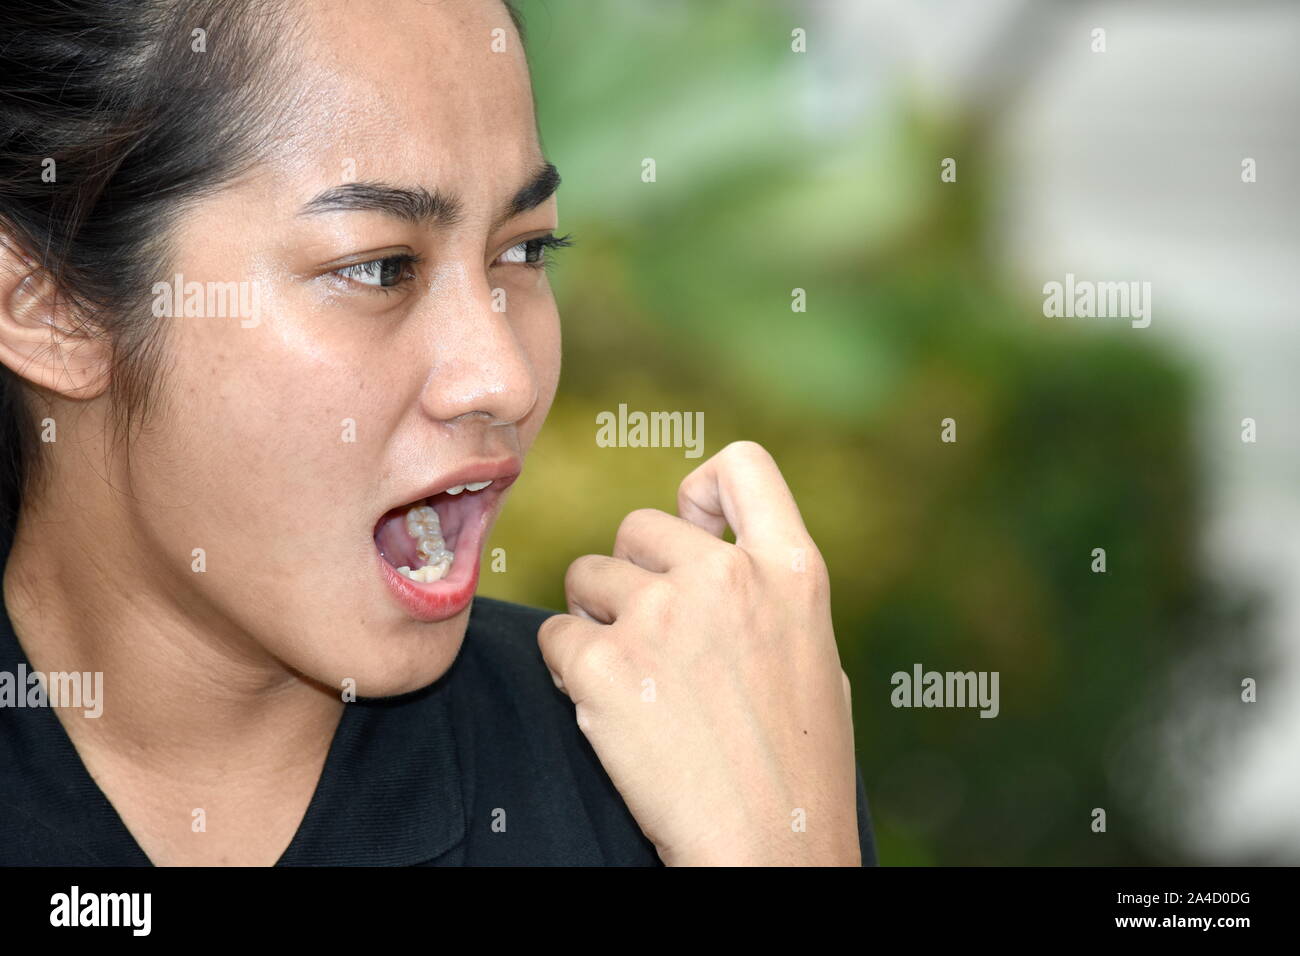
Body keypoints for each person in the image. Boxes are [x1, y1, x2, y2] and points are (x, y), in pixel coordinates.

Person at [0, 0, 876, 866]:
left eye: (525, 252)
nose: (504, 377)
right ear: (43, 311)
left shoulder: (689, 774)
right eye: (380, 268)